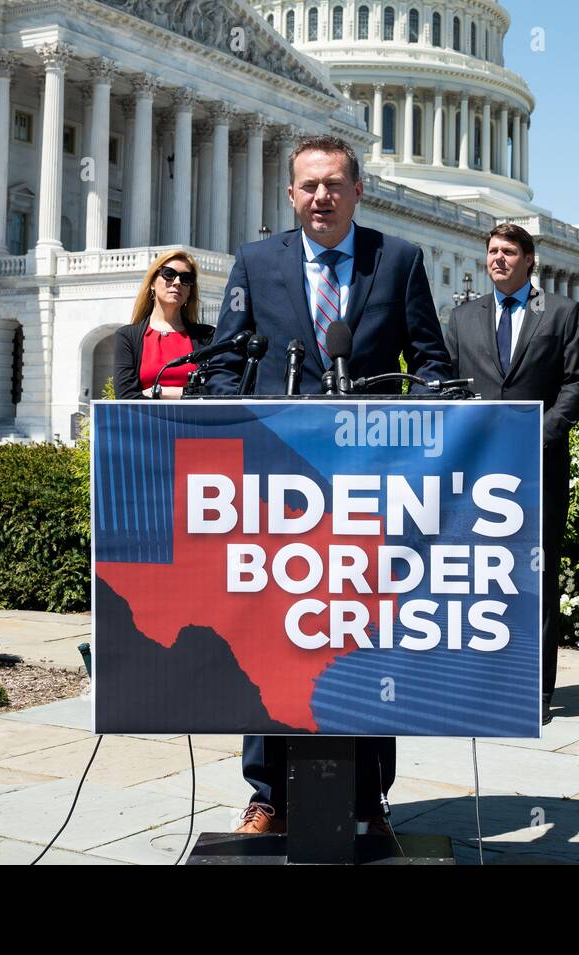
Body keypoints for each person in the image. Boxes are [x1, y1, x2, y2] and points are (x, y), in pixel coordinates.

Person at [203, 134, 452, 834]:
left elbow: (430, 367)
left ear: (357, 190)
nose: (320, 196)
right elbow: (226, 365)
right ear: (290, 194)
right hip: (277, 494)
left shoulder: (397, 261)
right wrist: (237, 427)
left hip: (370, 494)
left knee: (364, 638)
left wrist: (412, 431)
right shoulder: (257, 261)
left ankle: (369, 795)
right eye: (308, 185)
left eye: (334, 184)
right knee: (270, 637)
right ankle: (268, 795)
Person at [443, 222, 579, 726]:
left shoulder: (562, 313)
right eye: (492, 251)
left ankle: (534, 690)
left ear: (529, 260)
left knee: (534, 580)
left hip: (538, 469)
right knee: (478, 579)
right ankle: (478, 683)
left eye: (508, 252)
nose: (498, 259)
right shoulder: (463, 317)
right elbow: (447, 387)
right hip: (478, 474)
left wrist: (536, 435)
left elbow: (576, 385)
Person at [112, 250, 212, 399]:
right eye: (169, 274)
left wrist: (158, 391)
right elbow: (127, 397)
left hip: (195, 421)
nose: (177, 282)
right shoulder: (127, 337)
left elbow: (216, 391)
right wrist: (189, 394)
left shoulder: (207, 337)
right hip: (147, 422)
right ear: (152, 283)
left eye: (186, 278)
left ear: (190, 290)